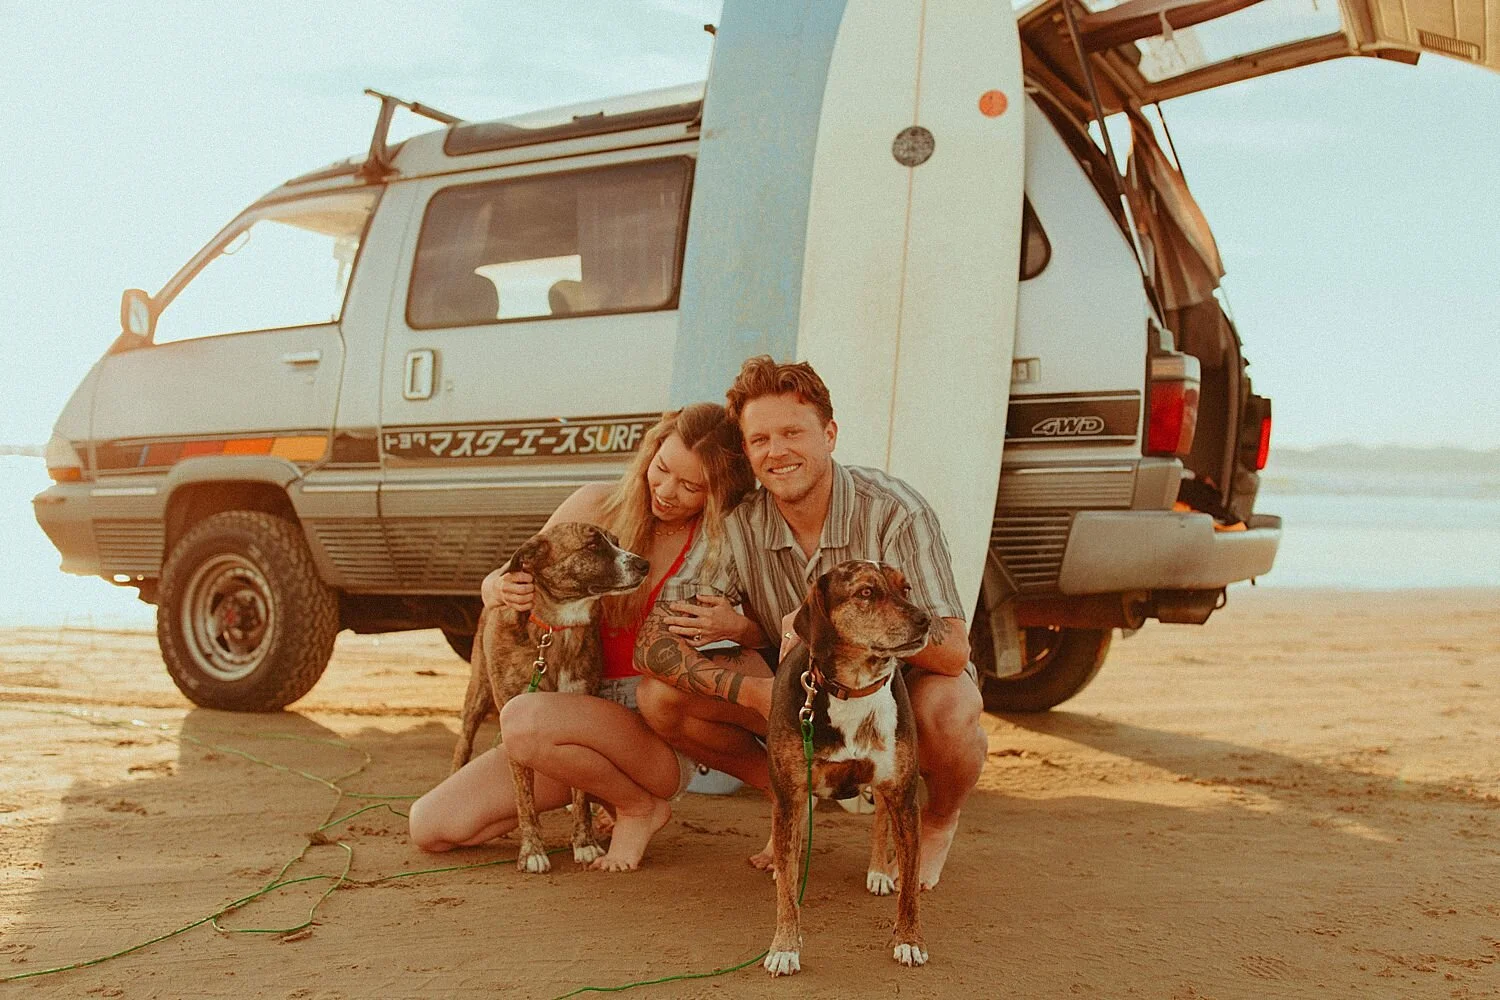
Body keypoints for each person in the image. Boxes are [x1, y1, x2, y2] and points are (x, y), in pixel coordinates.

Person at [633, 356, 987, 890]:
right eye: (759, 440)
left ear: (829, 434)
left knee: (953, 707)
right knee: (659, 698)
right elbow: (652, 641)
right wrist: (749, 690)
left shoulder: (894, 511)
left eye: (792, 433)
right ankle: (789, 796)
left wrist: (839, 623)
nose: (776, 452)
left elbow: (953, 649)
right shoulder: (738, 523)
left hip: (896, 692)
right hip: (801, 691)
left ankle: (935, 820)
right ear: (748, 452)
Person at [407, 403, 761, 871]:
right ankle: (603, 800)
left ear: (717, 491)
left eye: (691, 486)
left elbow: (766, 633)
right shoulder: (596, 504)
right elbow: (524, 565)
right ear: (650, 453)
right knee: (433, 825)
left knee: (525, 719)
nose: (667, 491)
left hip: (650, 735)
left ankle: (638, 805)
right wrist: (495, 586)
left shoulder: (723, 539)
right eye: (661, 469)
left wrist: (737, 626)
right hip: (571, 733)